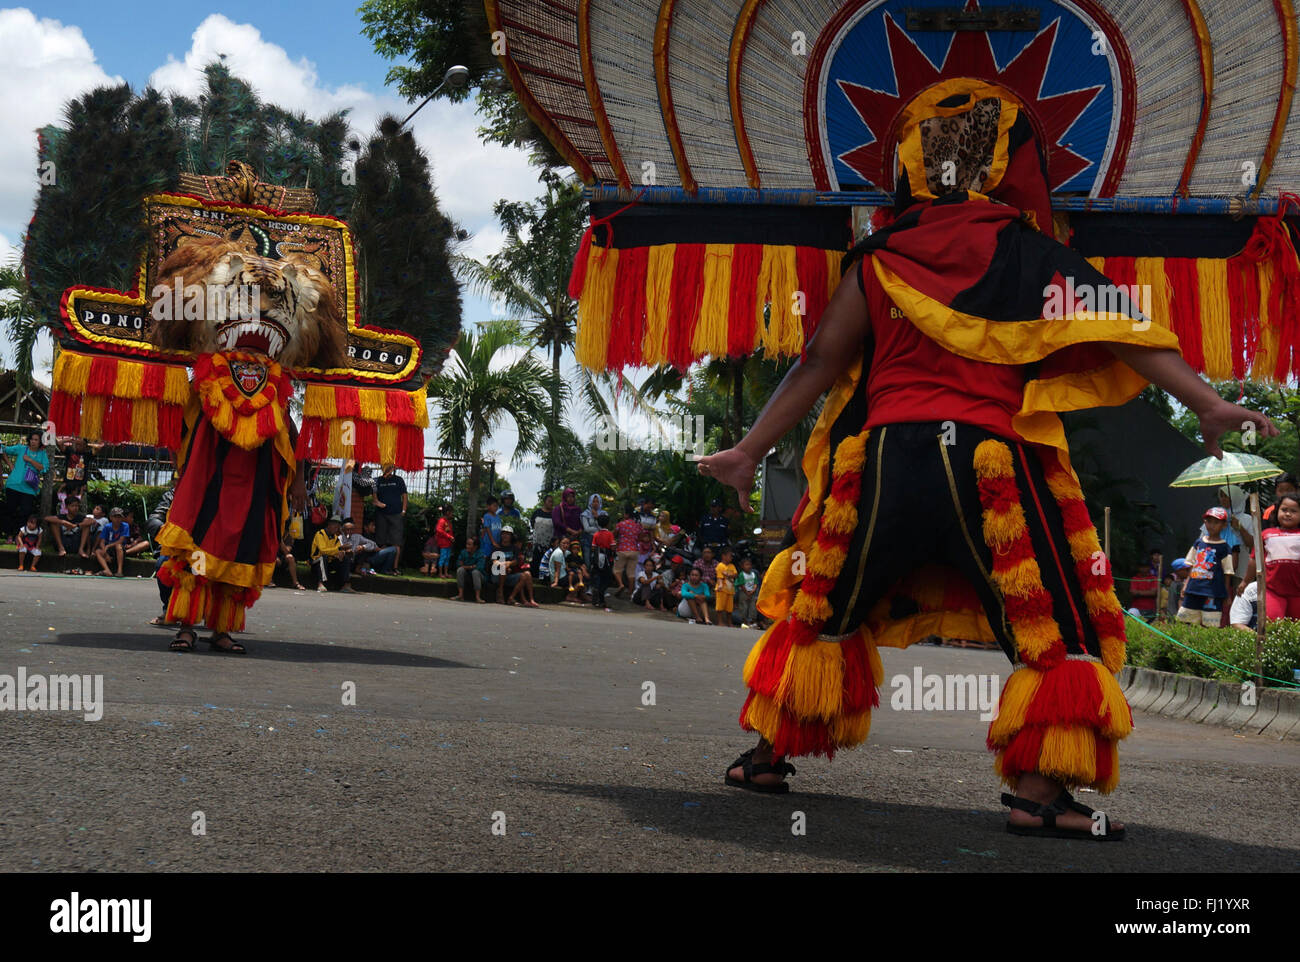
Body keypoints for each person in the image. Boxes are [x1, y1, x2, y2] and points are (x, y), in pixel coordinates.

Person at [696, 82, 1275, 834]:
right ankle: (1038, 797)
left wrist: (749, 450)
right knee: (1057, 624)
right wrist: (1207, 403)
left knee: (826, 607)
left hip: (884, 461)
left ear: (911, 166)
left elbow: (817, 362)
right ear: (1005, 167)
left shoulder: (879, 259)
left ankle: (766, 757)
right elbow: (1127, 331)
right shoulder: (1032, 253)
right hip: (990, 459)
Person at [1239, 492, 1300, 621]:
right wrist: (1245, 581)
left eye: (1293, 511)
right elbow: (1254, 560)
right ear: (1277, 511)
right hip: (1272, 590)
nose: (1288, 514)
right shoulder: (1266, 534)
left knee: (1296, 626)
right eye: (1284, 510)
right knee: (1273, 623)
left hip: (1297, 592)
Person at [1178, 507, 1235, 626]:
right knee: (1186, 620)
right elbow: (1192, 564)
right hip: (1193, 589)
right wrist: (1186, 584)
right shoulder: (1199, 542)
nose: (1212, 525)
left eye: (1216, 522)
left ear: (1224, 525)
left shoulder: (1224, 548)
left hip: (1213, 592)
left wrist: (1226, 594)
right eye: (1209, 522)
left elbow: (1227, 572)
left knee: (1210, 624)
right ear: (1205, 522)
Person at [3, 432, 49, 536]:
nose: (33, 442)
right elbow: (3, 449)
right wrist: (10, 464)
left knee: (25, 513)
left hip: (29, 488)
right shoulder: (21, 448)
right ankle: (9, 535)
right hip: (14, 485)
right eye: (32, 439)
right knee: (10, 511)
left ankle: (19, 536)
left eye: (36, 440)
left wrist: (30, 460)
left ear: (40, 442)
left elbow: (44, 468)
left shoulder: (42, 454)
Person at [310, 517, 357, 594]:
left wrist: (343, 553)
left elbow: (338, 551)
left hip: (329, 562)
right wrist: (339, 548)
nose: (336, 529)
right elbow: (323, 551)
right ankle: (321, 583)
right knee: (323, 557)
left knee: (345, 559)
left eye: (338, 527)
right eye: (334, 526)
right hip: (316, 562)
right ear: (329, 525)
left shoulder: (336, 538)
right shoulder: (320, 534)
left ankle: (345, 585)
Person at [372, 463, 407, 550]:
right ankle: (382, 558)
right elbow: (373, 492)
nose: (386, 469)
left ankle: (395, 559)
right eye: (384, 467)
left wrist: (403, 510)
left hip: (396, 514)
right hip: (381, 514)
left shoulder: (398, 480)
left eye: (389, 467)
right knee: (381, 541)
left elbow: (405, 496)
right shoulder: (377, 480)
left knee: (396, 542)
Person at [613, 503, 641, 596]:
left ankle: (621, 584)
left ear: (626, 514)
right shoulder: (638, 525)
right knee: (631, 573)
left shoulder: (620, 524)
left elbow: (614, 535)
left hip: (622, 549)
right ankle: (630, 592)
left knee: (617, 570)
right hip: (634, 550)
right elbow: (640, 537)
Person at [94, 507, 131, 577]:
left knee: (118, 546)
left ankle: (119, 571)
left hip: (120, 549)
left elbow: (121, 540)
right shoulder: (107, 527)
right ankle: (107, 570)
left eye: (119, 517)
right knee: (98, 551)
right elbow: (102, 542)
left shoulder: (125, 526)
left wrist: (108, 546)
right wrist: (105, 551)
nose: (117, 519)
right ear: (111, 517)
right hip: (109, 549)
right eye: (115, 517)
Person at [589, 512, 616, 609]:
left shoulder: (596, 534)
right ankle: (601, 595)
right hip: (607, 559)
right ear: (608, 524)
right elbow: (613, 547)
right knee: (607, 578)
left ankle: (597, 593)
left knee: (598, 576)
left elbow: (593, 547)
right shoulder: (610, 534)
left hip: (597, 559)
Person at [529, 494, 555, 579]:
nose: (551, 503)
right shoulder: (537, 512)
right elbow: (532, 524)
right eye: (549, 501)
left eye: (552, 502)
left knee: (546, 562)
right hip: (537, 542)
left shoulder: (554, 514)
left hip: (549, 543)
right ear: (544, 502)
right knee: (535, 561)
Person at [455, 536, 487, 603]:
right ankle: (460, 595)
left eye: (469, 544)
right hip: (467, 575)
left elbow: (479, 567)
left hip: (479, 577)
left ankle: (478, 597)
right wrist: (471, 567)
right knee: (460, 570)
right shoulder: (463, 552)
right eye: (467, 544)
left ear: (475, 546)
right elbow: (458, 564)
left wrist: (465, 566)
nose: (467, 546)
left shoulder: (480, 554)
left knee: (475, 572)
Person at [713, 546, 738, 627]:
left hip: (730, 590)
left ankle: (729, 622)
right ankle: (720, 622)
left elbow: (735, 574)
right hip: (722, 589)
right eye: (730, 556)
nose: (731, 558)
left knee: (729, 608)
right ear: (723, 556)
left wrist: (728, 575)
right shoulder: (720, 566)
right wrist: (720, 585)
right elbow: (719, 577)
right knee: (720, 606)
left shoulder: (732, 566)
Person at [734, 556, 760, 627]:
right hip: (744, 592)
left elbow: (755, 583)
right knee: (744, 606)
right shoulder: (742, 574)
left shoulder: (753, 574)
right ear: (742, 566)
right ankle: (744, 622)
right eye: (746, 565)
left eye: (750, 564)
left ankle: (752, 621)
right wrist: (747, 593)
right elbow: (742, 584)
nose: (749, 566)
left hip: (752, 592)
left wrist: (752, 591)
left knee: (753, 607)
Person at [580, 493, 604, 565]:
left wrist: (596, 518)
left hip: (600, 540)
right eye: (593, 501)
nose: (595, 503)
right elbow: (586, 529)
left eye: (597, 501)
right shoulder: (585, 514)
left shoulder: (603, 514)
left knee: (599, 560)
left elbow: (604, 528)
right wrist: (598, 529)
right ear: (590, 502)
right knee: (587, 560)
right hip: (588, 540)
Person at [434, 505, 455, 577]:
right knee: (443, 558)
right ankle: (440, 573)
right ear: (448, 512)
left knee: (447, 558)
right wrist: (449, 536)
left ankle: (446, 573)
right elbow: (438, 530)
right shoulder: (442, 521)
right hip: (443, 544)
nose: (452, 514)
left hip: (448, 543)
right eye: (451, 512)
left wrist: (451, 538)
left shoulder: (448, 521)